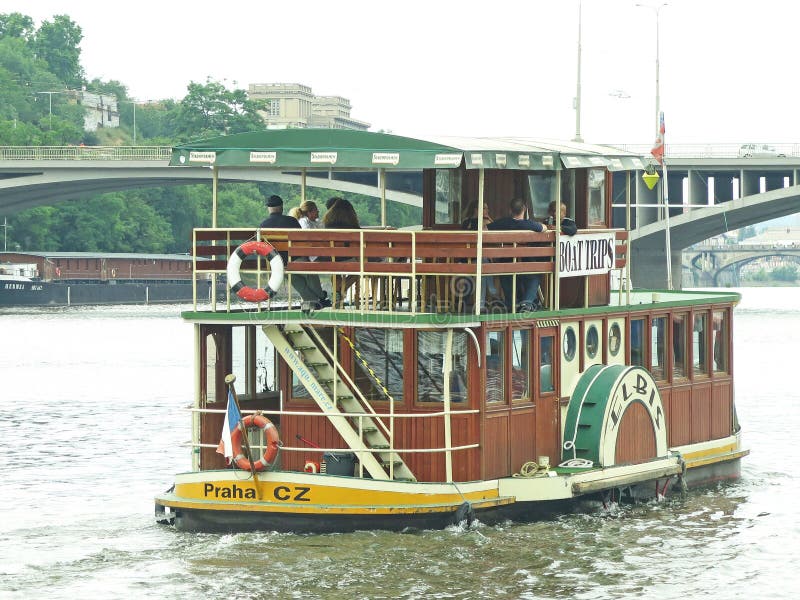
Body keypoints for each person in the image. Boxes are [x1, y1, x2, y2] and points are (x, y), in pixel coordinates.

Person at [259, 194, 330, 308]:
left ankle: (315, 300)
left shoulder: (263, 225)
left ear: (269, 209)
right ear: (282, 207)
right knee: (310, 273)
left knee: (295, 279)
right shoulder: (291, 221)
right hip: (295, 259)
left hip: (277, 263)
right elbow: (301, 241)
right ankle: (321, 297)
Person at [487, 197, 548, 312]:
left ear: (510, 210)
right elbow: (544, 228)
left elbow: (485, 229)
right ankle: (527, 303)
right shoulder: (530, 224)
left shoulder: (502, 223)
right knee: (535, 275)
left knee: (505, 273)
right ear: (524, 209)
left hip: (506, 262)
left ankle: (511, 302)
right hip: (526, 262)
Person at [461, 202, 498, 312]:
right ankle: (491, 290)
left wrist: (489, 219)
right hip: (469, 258)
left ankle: (481, 303)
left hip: (482, 257)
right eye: (485, 208)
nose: (488, 210)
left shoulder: (487, 221)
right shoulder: (467, 222)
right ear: (477, 209)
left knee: (482, 264)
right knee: (482, 264)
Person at [323, 197, 360, 303]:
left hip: (329, 260)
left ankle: (337, 295)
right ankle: (343, 290)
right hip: (347, 259)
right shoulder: (353, 228)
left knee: (335, 272)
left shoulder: (327, 226)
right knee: (360, 268)